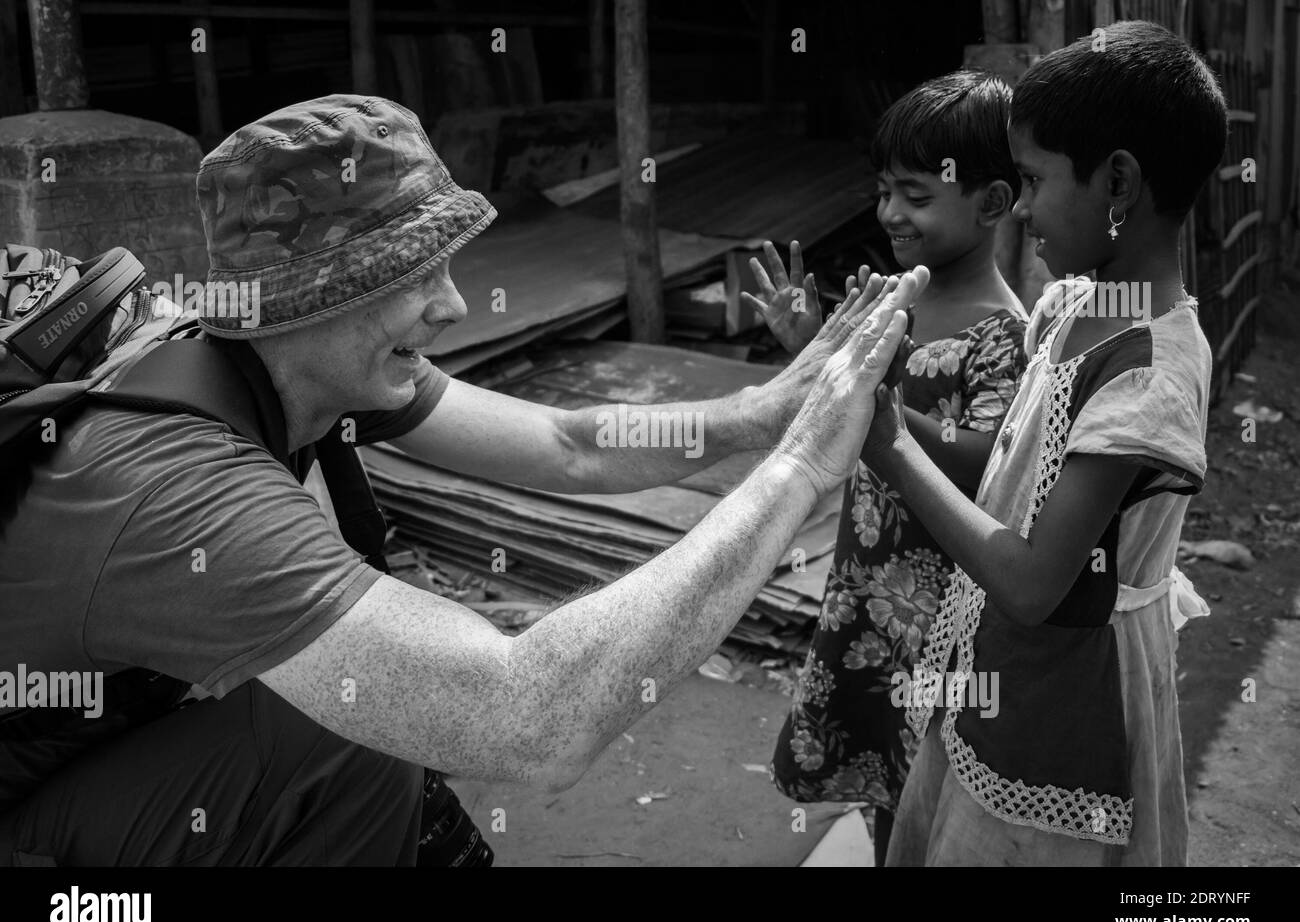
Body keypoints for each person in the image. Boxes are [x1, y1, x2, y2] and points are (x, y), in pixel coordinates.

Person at [0, 94, 922, 866]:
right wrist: (803, 465)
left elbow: (570, 443)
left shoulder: (293, 364)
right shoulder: (179, 495)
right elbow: (527, 714)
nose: (451, 306)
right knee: (353, 725)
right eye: (416, 277)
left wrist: (765, 415)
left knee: (356, 719)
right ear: (313, 298)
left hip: (93, 757)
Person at [861, 21, 1226, 865]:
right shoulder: (1068, 306)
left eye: (1032, 179)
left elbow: (1032, 584)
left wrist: (887, 448)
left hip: (1071, 698)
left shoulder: (1151, 373)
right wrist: (890, 411)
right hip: (999, 668)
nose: (1020, 207)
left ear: (1119, 182)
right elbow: (1010, 473)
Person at [746, 71, 1028, 864]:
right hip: (867, 591)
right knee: (877, 770)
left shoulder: (1004, 332)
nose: (888, 213)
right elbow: (843, 411)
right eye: (883, 190)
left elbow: (987, 465)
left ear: (994, 203)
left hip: (941, 609)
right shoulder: (890, 305)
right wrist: (811, 347)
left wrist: (889, 410)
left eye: (914, 194)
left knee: (929, 777)